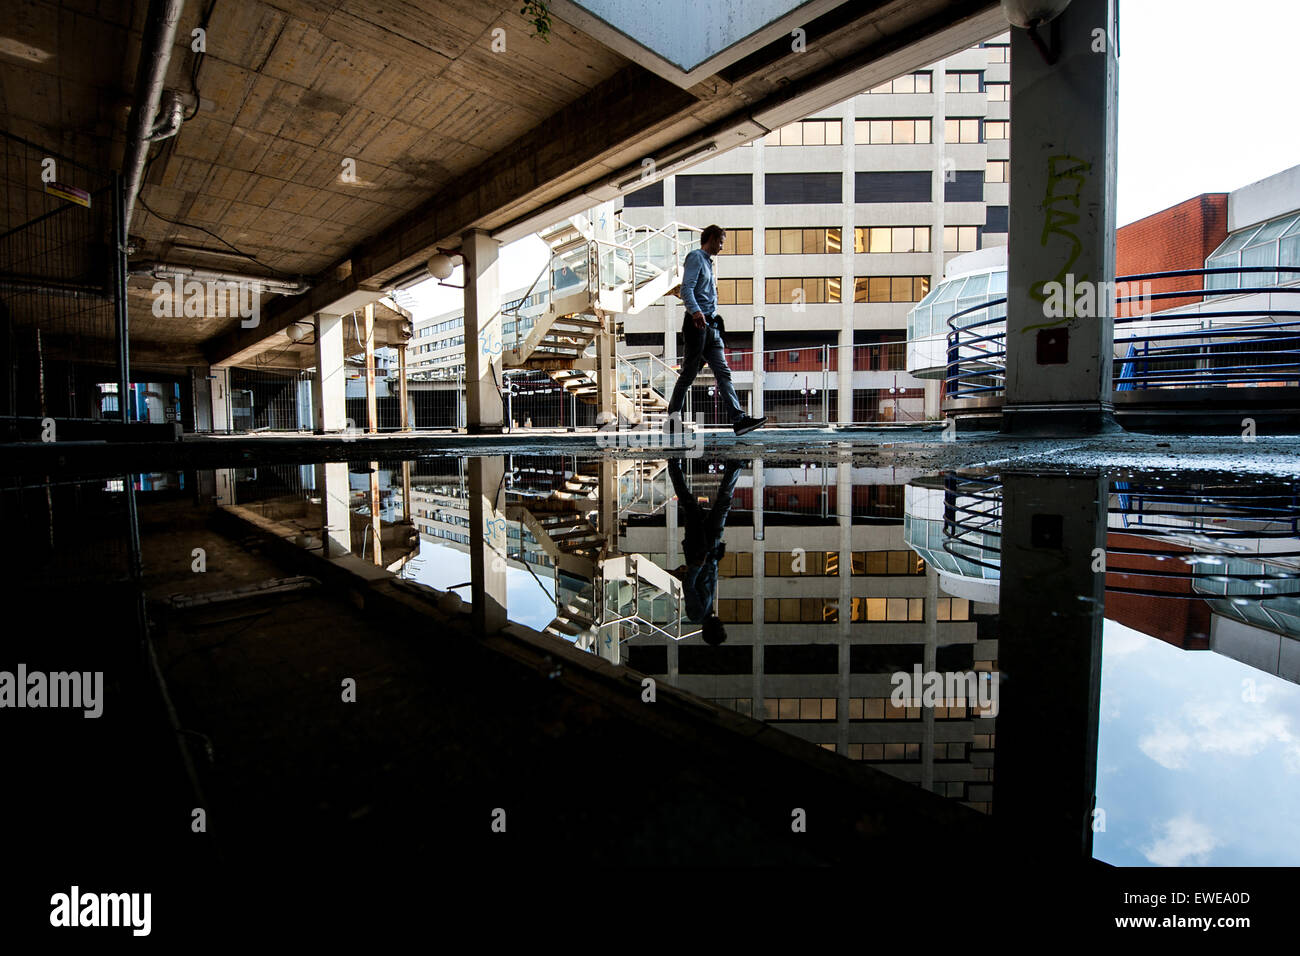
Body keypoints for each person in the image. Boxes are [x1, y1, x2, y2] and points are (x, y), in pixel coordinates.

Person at [665, 225, 767, 436]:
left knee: (723, 372)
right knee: (688, 375)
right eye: (720, 242)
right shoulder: (695, 257)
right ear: (710, 238)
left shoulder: (708, 264)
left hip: (711, 327)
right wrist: (695, 312)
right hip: (697, 325)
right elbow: (686, 288)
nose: (721, 247)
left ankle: (738, 420)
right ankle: (673, 421)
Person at [669, 458, 743, 645]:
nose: (721, 624)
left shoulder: (698, 614)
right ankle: (734, 467)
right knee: (719, 506)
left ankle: (674, 465)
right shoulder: (708, 611)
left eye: (719, 628)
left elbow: (689, 586)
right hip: (709, 550)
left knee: (691, 504)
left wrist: (697, 565)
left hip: (699, 550)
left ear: (710, 630)